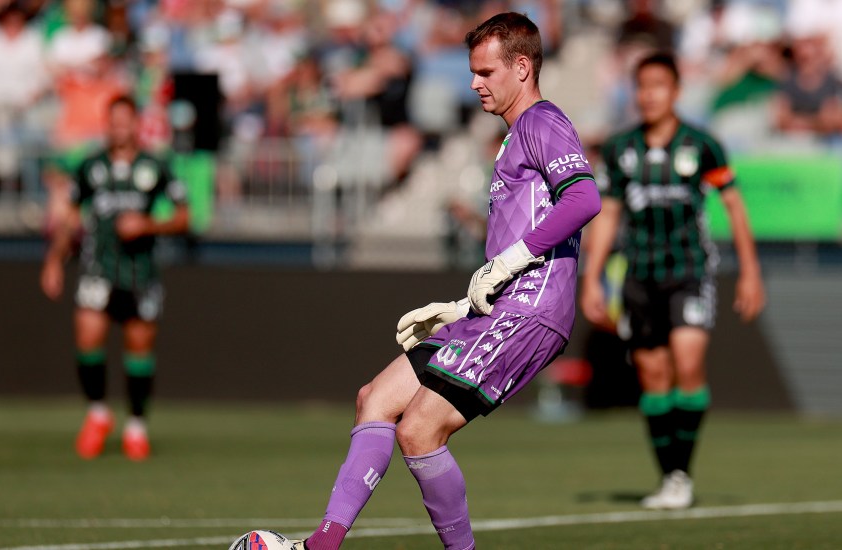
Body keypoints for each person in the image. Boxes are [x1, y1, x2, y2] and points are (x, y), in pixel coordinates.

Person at [300, 12, 600, 550]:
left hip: (531, 311)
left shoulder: (541, 122)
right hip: (500, 307)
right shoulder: (512, 139)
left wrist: (509, 263)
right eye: (473, 71)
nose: (474, 83)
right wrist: (464, 306)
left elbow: (585, 198)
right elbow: (522, 234)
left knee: (418, 431)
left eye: (486, 71)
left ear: (523, 67)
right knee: (374, 399)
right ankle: (325, 541)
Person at [580, 52, 765, 510]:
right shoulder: (622, 147)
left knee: (687, 360)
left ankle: (681, 472)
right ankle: (670, 476)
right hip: (639, 275)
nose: (649, 95)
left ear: (676, 91)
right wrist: (592, 277)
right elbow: (608, 214)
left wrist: (750, 272)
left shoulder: (702, 144)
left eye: (658, 86)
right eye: (642, 87)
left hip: (689, 270)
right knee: (653, 375)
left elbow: (735, 206)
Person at [40, 96, 189, 461]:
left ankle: (136, 426)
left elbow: (185, 217)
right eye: (114, 121)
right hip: (98, 267)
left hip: (140, 271)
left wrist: (148, 223)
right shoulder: (91, 166)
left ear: (136, 123)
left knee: (139, 348)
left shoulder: (156, 166)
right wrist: (54, 260)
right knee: (88, 338)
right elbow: (72, 217)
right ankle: (98, 413)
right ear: (107, 124)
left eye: (126, 120)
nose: (119, 127)